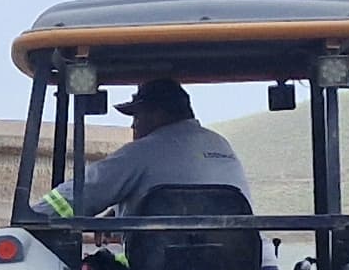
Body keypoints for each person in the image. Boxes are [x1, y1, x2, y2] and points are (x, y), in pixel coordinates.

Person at [51, 81, 249, 220]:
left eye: (136, 117)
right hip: (248, 268)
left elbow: (85, 191)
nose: (132, 126)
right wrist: (118, 213)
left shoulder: (145, 151)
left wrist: (31, 218)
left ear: (157, 114)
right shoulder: (220, 144)